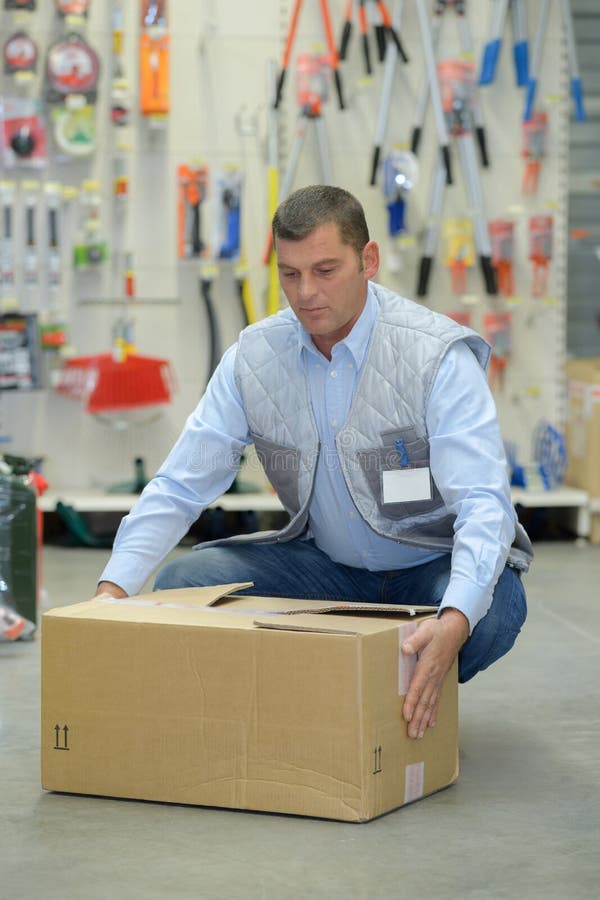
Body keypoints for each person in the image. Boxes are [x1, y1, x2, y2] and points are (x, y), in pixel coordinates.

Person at [97, 184, 532, 740]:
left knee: (490, 611)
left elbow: (482, 500)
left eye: (326, 271)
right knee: (188, 581)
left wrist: (454, 618)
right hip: (325, 570)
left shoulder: (435, 355)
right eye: (290, 274)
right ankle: (341, 693)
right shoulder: (254, 358)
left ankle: (384, 687)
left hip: (430, 567)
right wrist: (113, 590)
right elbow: (183, 482)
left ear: (368, 260)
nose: (306, 293)